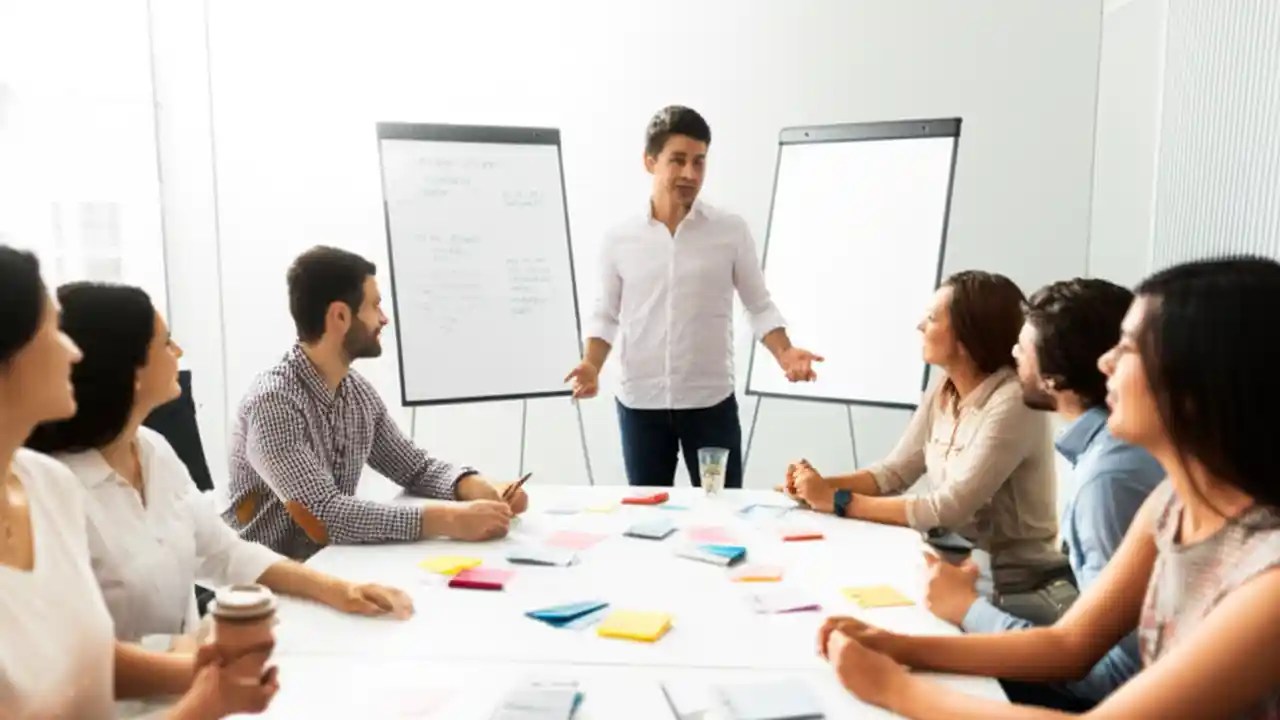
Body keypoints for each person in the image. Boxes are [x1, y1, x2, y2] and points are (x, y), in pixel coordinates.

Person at [817, 257, 1280, 719]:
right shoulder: (1172, 503)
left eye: (1130, 348)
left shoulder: (1268, 581)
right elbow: (1069, 644)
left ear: (1198, 381)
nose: (1104, 363)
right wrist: (898, 646)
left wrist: (897, 690)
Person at [25, 282, 415, 651]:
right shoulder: (53, 489)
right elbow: (74, 656)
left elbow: (223, 551)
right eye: (165, 343)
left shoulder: (152, 449)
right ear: (129, 369)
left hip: (195, 680)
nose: (178, 351)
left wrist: (338, 590)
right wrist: (200, 656)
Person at [0, 246, 275, 719]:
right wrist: (205, 696)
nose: (71, 350)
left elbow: (85, 662)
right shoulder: (69, 480)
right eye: (50, 330)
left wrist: (204, 680)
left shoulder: (46, 485)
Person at [923, 279, 1164, 710]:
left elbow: (1109, 670)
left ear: (1054, 378)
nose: (1012, 356)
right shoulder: (1103, 456)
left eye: (1022, 347)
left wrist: (965, 609)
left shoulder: (1108, 477)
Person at [565, 105, 822, 489]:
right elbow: (606, 313)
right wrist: (591, 365)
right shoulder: (619, 238)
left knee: (723, 514)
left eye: (699, 162)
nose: (690, 173)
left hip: (710, 404)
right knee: (651, 517)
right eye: (678, 160)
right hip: (641, 404)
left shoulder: (729, 231)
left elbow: (758, 305)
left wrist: (785, 353)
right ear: (650, 161)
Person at [225, 246, 528, 561]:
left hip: (328, 568)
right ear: (340, 316)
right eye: (375, 306)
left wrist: (478, 487)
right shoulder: (273, 402)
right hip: (259, 589)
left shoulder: (356, 393)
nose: (384, 319)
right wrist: (449, 520)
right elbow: (323, 517)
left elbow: (416, 468)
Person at [787, 271, 1065, 592]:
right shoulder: (945, 388)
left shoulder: (1014, 400)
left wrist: (836, 499)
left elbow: (948, 509)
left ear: (968, 334)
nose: (920, 326)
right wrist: (817, 486)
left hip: (1014, 581)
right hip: (956, 560)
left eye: (932, 318)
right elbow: (892, 474)